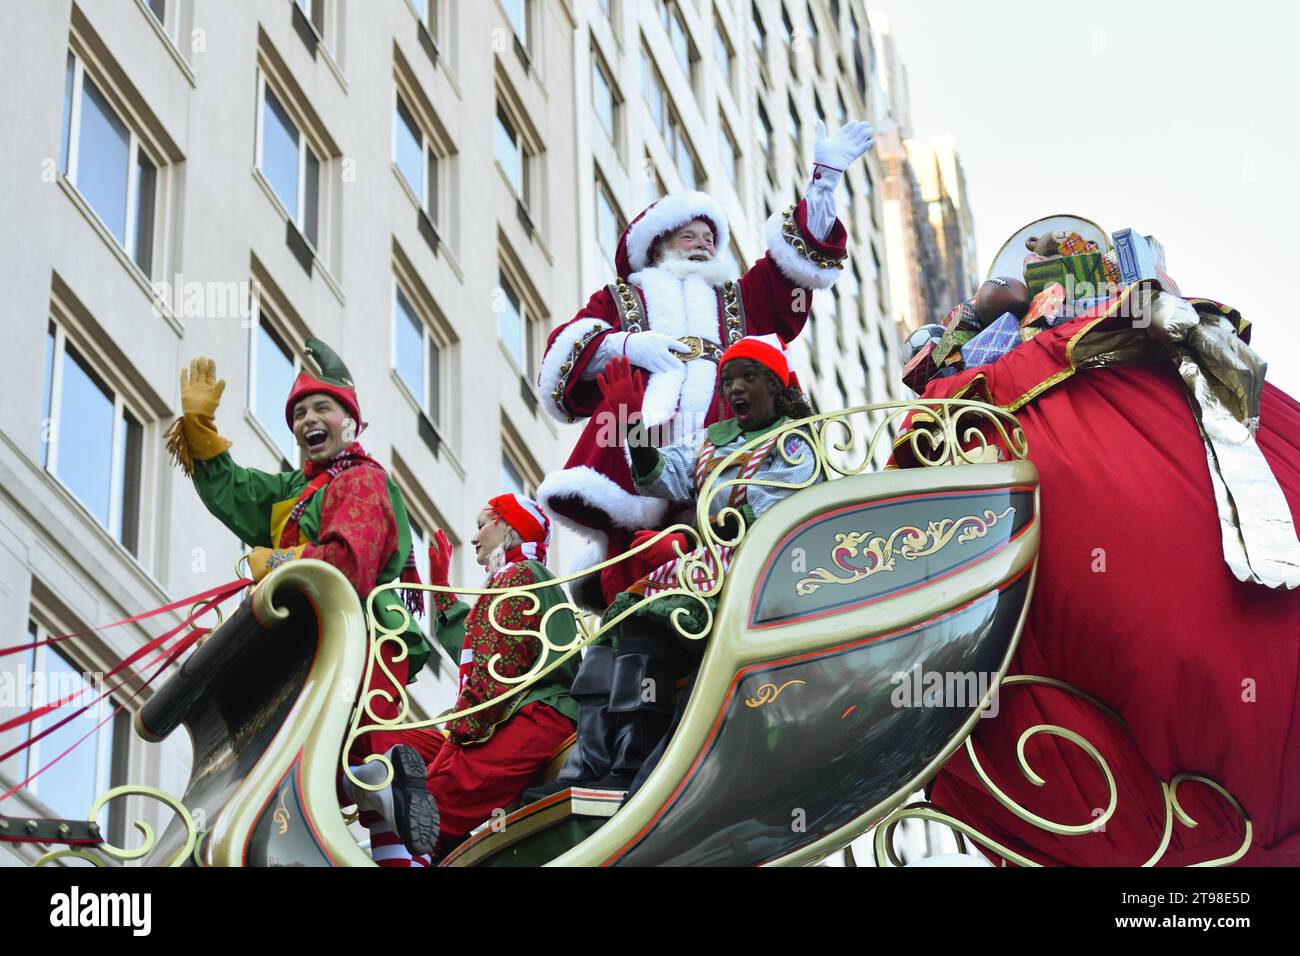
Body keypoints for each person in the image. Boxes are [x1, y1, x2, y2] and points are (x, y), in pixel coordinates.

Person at [537, 121, 875, 609]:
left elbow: (791, 273)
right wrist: (627, 347)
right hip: (645, 426)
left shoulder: (739, 297)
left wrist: (822, 183)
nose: (702, 244)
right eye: (688, 236)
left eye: (708, 237)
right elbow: (562, 356)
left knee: (729, 528)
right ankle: (641, 614)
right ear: (657, 247)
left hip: (724, 428)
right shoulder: (625, 298)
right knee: (641, 539)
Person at [166, 341, 437, 865]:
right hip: (305, 649)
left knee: (353, 753)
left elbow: (348, 565)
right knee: (312, 767)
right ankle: (388, 807)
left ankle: (399, 810)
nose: (307, 420)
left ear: (350, 422)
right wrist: (199, 436)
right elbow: (240, 493)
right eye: (298, 413)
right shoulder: (300, 488)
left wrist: (279, 563)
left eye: (321, 408)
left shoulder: (364, 479)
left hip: (351, 643)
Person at [530, 336, 819, 798]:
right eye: (728, 381)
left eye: (748, 376)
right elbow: (661, 474)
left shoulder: (794, 444)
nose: (735, 388)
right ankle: (589, 761)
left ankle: (632, 757)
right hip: (703, 561)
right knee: (618, 618)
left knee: (651, 617)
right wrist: (632, 427)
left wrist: (686, 541)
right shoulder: (713, 440)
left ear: (775, 384)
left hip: (755, 570)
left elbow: (777, 510)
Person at [403, 494, 579, 860]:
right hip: (513, 713)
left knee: (425, 804)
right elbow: (482, 647)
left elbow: (493, 672)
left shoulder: (519, 576)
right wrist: (442, 593)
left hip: (536, 716)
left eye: (482, 524)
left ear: (509, 527)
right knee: (403, 752)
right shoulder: (517, 577)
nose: (473, 538)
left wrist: (459, 735)